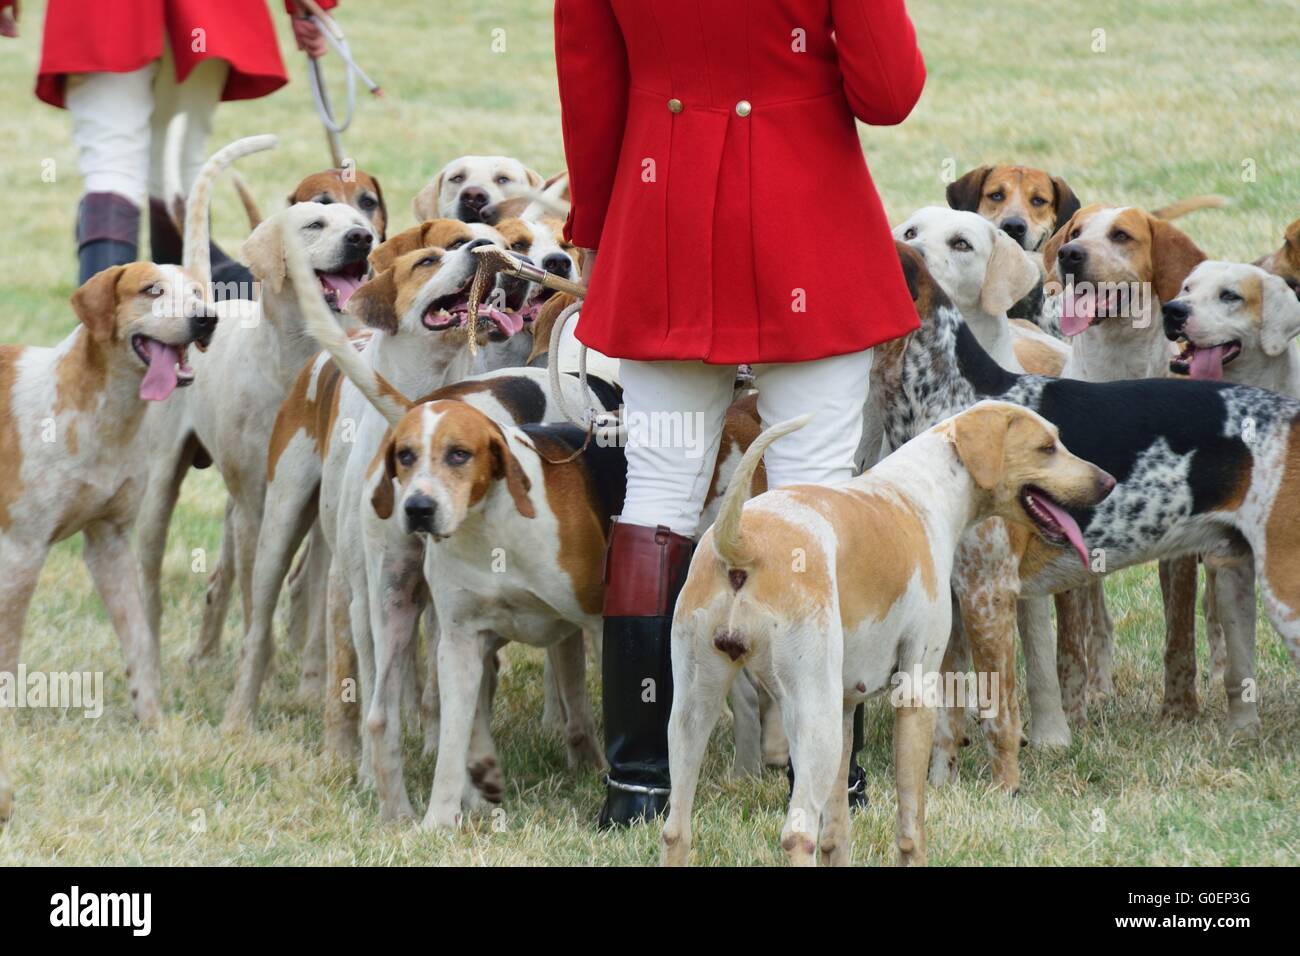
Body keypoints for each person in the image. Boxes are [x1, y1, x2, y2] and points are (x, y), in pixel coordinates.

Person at [554, 0, 926, 828]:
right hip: (808, 218)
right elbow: (889, 92)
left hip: (664, 217)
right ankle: (829, 779)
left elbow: (590, 87)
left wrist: (594, 226)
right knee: (819, 498)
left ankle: (641, 785)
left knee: (655, 499)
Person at [1, 0, 335, 284]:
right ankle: (183, 333)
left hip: (102, 12)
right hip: (207, 13)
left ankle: (104, 345)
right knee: (180, 170)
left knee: (111, 166)